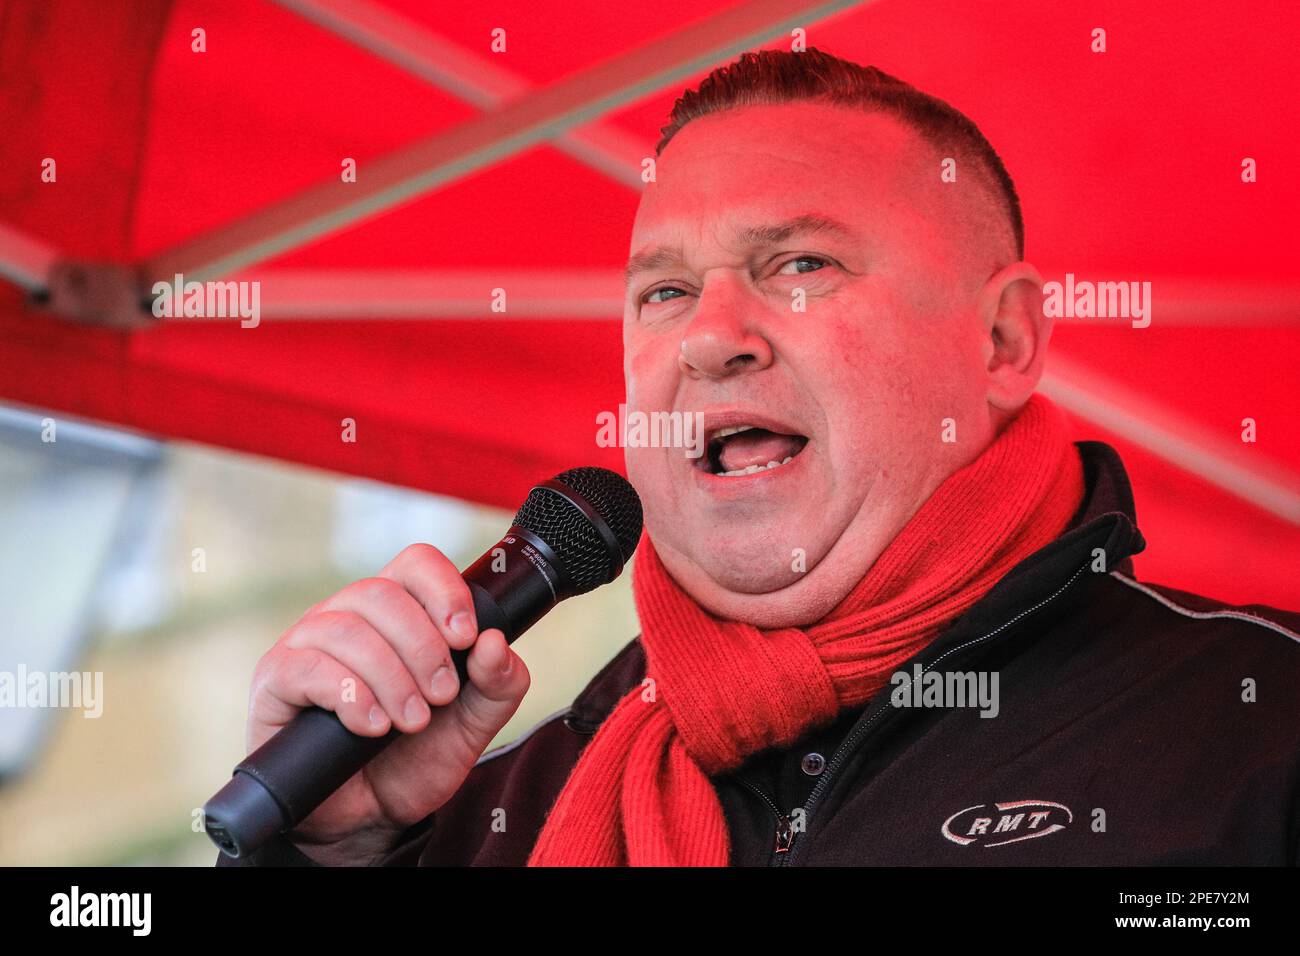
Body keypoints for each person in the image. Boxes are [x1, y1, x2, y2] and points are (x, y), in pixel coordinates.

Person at [220, 49, 1300, 867]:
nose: (709, 334)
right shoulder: (499, 801)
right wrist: (347, 853)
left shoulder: (1257, 724)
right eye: (665, 291)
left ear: (1002, 340)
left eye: (799, 263)